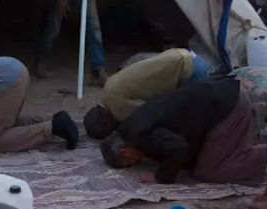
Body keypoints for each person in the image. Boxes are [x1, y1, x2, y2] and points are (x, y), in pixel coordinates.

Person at [99, 77, 267, 185]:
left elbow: (178, 148)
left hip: (228, 107)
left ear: (124, 151)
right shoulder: (132, 124)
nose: (136, 163)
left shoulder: (141, 136)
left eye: (129, 163)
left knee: (209, 172)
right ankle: (251, 125)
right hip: (223, 97)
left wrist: (161, 177)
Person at [82, 48, 213, 140]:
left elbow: (150, 116)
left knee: (185, 126)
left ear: (104, 123)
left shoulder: (118, 108)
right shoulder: (107, 89)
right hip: (183, 55)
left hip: (190, 71)